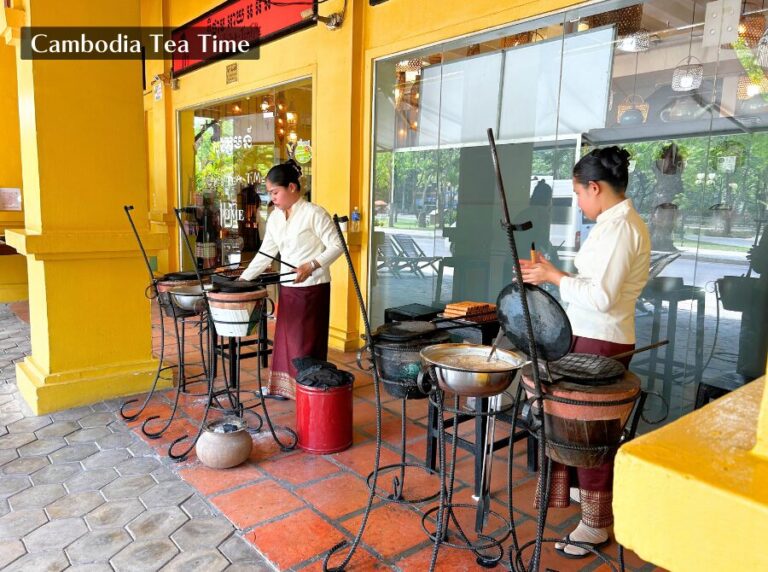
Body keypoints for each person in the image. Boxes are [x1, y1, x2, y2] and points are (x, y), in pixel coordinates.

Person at [520, 146, 650, 558]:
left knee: (590, 435)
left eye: (578, 193)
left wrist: (555, 276)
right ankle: (584, 500)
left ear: (595, 187)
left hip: (602, 339)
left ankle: (596, 526)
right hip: (590, 336)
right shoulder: (613, 225)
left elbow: (603, 297)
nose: (578, 201)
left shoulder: (620, 229)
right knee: (576, 431)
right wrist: (554, 273)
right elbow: (593, 284)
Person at [240, 160, 343, 399]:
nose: (272, 198)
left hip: (312, 288)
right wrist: (243, 280)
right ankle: (281, 388)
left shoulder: (314, 213)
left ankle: (308, 390)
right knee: (285, 339)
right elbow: (267, 253)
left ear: (292, 187)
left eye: (275, 192)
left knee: (304, 343)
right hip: (288, 287)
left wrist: (312, 264)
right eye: (270, 194)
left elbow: (338, 245)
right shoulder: (276, 218)